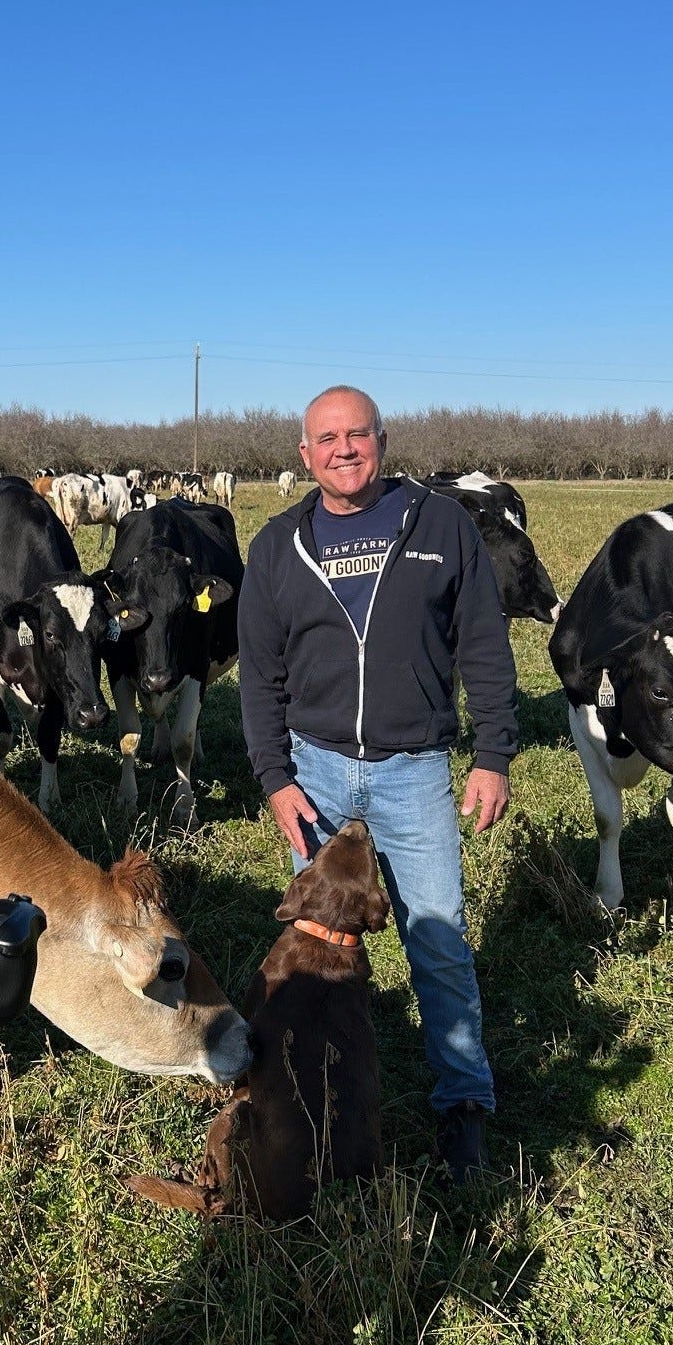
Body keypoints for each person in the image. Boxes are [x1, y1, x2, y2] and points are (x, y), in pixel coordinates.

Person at [237, 384, 518, 1181]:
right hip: (316, 769)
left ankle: (463, 1104)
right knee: (314, 944)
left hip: (414, 769)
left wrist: (493, 754)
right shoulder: (277, 546)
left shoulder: (440, 525)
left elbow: (484, 642)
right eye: (327, 439)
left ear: (382, 442)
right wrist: (276, 779)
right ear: (305, 455)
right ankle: (310, 1091)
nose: (344, 450)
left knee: (437, 940)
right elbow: (259, 676)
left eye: (357, 435)